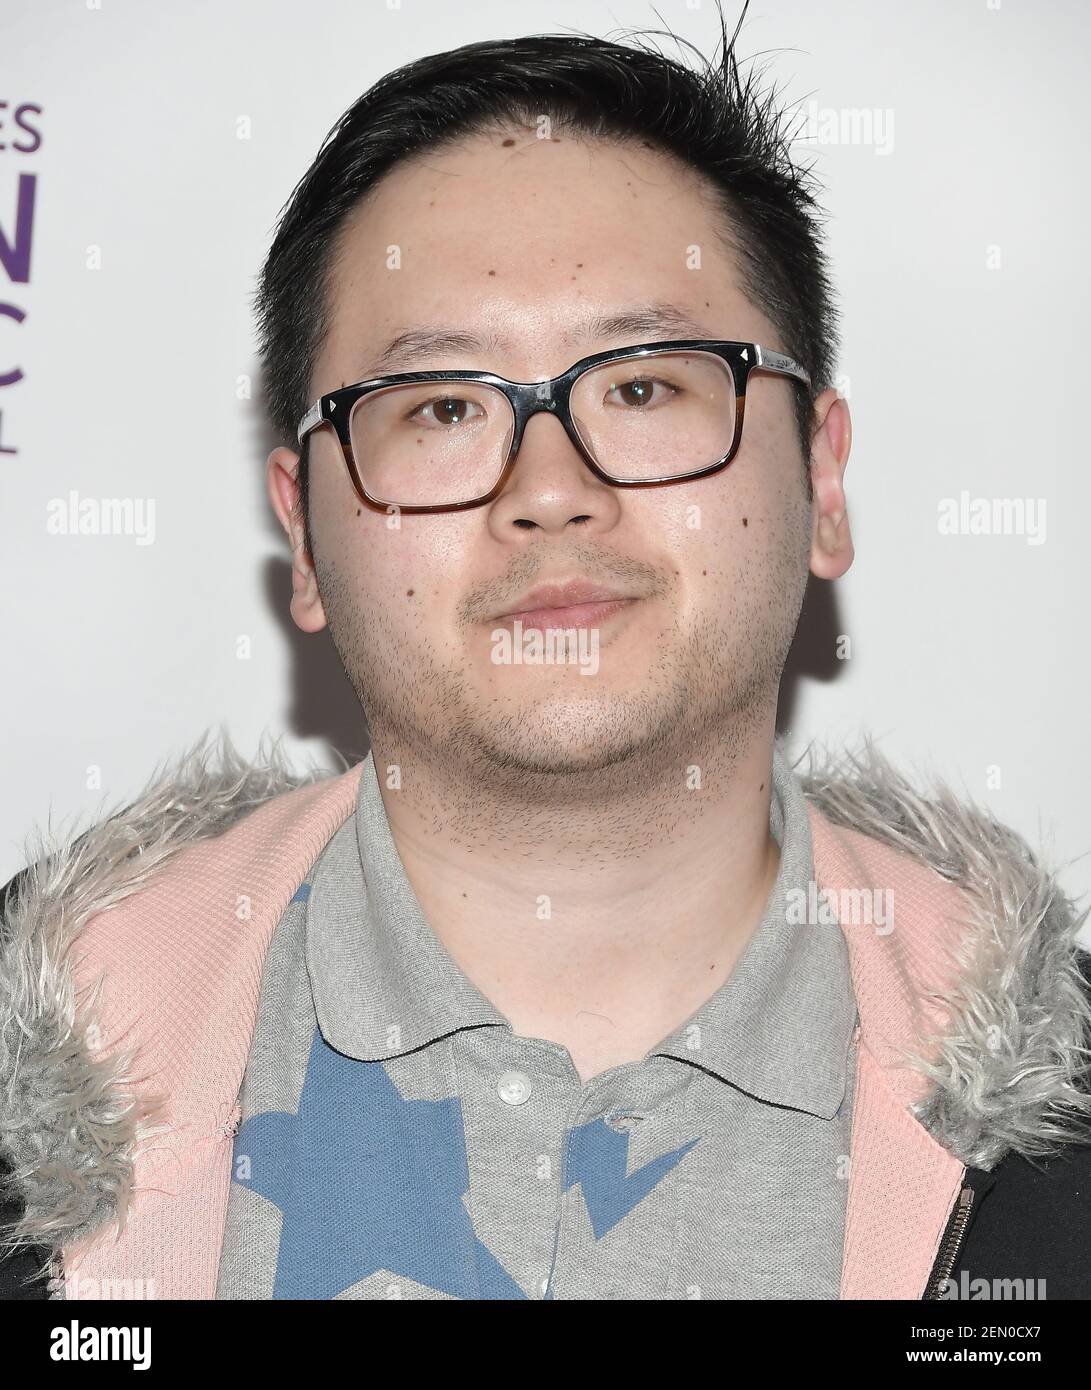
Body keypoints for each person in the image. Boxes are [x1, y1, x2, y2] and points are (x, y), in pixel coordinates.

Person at [2, 8, 1089, 1302]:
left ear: (823, 479)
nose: (552, 490)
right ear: (304, 532)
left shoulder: (1064, 1133)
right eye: (442, 407)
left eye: (643, 386)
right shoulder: (33, 1065)